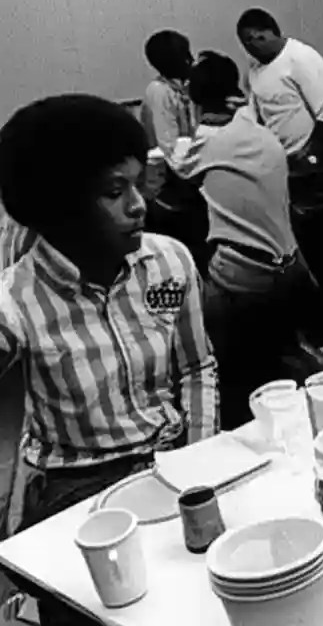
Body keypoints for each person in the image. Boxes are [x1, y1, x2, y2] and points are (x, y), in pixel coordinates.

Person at [0, 95, 218, 625]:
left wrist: (199, 463)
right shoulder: (17, 300)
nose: (138, 205)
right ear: (59, 207)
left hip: (171, 459)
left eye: (138, 184)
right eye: (114, 193)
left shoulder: (167, 261)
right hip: (79, 483)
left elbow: (197, 368)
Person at [182, 52, 316, 428]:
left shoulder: (206, 147)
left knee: (232, 374)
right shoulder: (263, 134)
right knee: (283, 360)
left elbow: (174, 180)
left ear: (195, 101)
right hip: (291, 266)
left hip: (242, 279)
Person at [237, 7, 323, 338]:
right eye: (245, 42)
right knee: (306, 249)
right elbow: (257, 112)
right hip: (284, 166)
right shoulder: (256, 69)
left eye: (255, 39)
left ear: (270, 32)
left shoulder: (301, 58)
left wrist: (311, 156)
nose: (251, 47)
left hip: (316, 166)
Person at [140, 29, 209, 271]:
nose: (190, 61)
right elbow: (168, 146)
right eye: (184, 57)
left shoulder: (184, 89)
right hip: (166, 185)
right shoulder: (159, 92)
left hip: (185, 175)